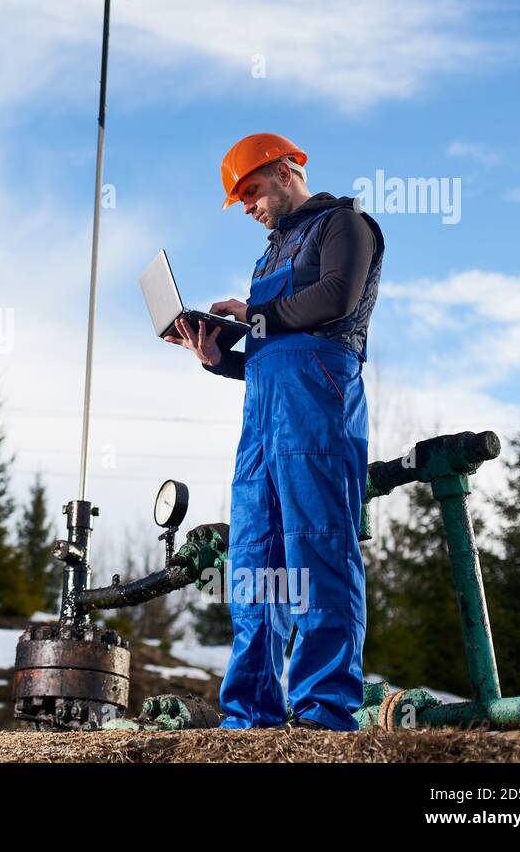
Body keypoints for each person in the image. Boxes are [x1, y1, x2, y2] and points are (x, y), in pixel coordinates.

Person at [166, 133, 385, 730]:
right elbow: (265, 350)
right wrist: (219, 357)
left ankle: (324, 708)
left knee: (317, 548)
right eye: (240, 202)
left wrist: (254, 315)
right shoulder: (269, 253)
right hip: (263, 413)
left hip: (318, 396)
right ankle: (251, 714)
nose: (248, 208)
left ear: (285, 172)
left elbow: (334, 299)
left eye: (252, 193)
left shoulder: (346, 224)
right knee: (256, 556)